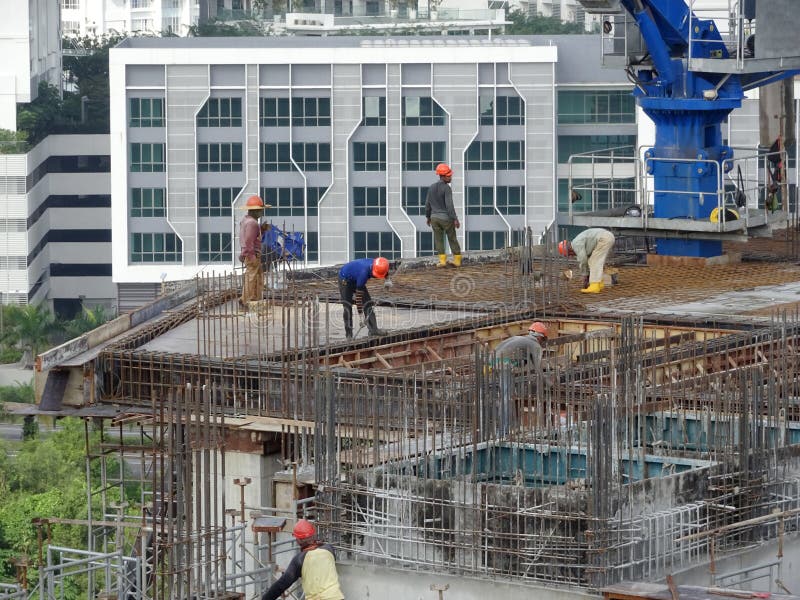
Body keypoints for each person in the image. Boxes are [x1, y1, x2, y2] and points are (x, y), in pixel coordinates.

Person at [261, 519, 344, 600]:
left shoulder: (299, 560)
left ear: (298, 540)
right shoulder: (329, 549)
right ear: (314, 534)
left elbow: (280, 585)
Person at [492, 322, 549, 435]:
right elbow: (538, 369)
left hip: (494, 362)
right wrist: (548, 382)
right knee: (507, 398)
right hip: (505, 365)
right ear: (540, 337)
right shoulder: (535, 345)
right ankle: (504, 431)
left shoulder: (520, 339)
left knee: (504, 395)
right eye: (543, 340)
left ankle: (503, 428)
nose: (543, 343)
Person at [338, 257, 390, 339]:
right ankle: (349, 335)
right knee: (347, 307)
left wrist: (387, 279)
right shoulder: (363, 274)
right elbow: (358, 298)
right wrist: (360, 316)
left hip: (356, 276)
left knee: (368, 303)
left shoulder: (378, 264)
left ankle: (374, 330)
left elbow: (385, 271)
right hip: (345, 280)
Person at [425, 163, 462, 268]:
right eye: (448, 175)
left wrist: (428, 217)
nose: (450, 177)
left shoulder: (431, 187)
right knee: (452, 238)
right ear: (442, 176)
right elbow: (449, 206)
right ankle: (457, 261)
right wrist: (455, 219)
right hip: (445, 218)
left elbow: (427, 204)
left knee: (438, 239)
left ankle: (442, 262)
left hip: (434, 218)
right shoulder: (446, 188)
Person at [558, 228, 616, 294]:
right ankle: (599, 283)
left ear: (569, 250)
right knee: (594, 261)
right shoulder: (577, 243)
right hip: (606, 237)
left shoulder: (576, 245)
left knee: (594, 261)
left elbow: (583, 261)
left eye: (570, 254)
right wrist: (587, 275)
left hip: (603, 239)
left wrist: (585, 275)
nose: (571, 256)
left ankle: (594, 286)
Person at [238, 195, 269, 309]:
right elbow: (249, 241)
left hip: (249, 253)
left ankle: (254, 298)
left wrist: (262, 229)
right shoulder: (252, 223)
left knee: (258, 276)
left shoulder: (246, 220)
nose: (261, 212)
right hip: (252, 254)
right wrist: (251, 256)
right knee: (251, 277)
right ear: (254, 210)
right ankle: (245, 301)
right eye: (260, 210)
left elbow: (251, 236)